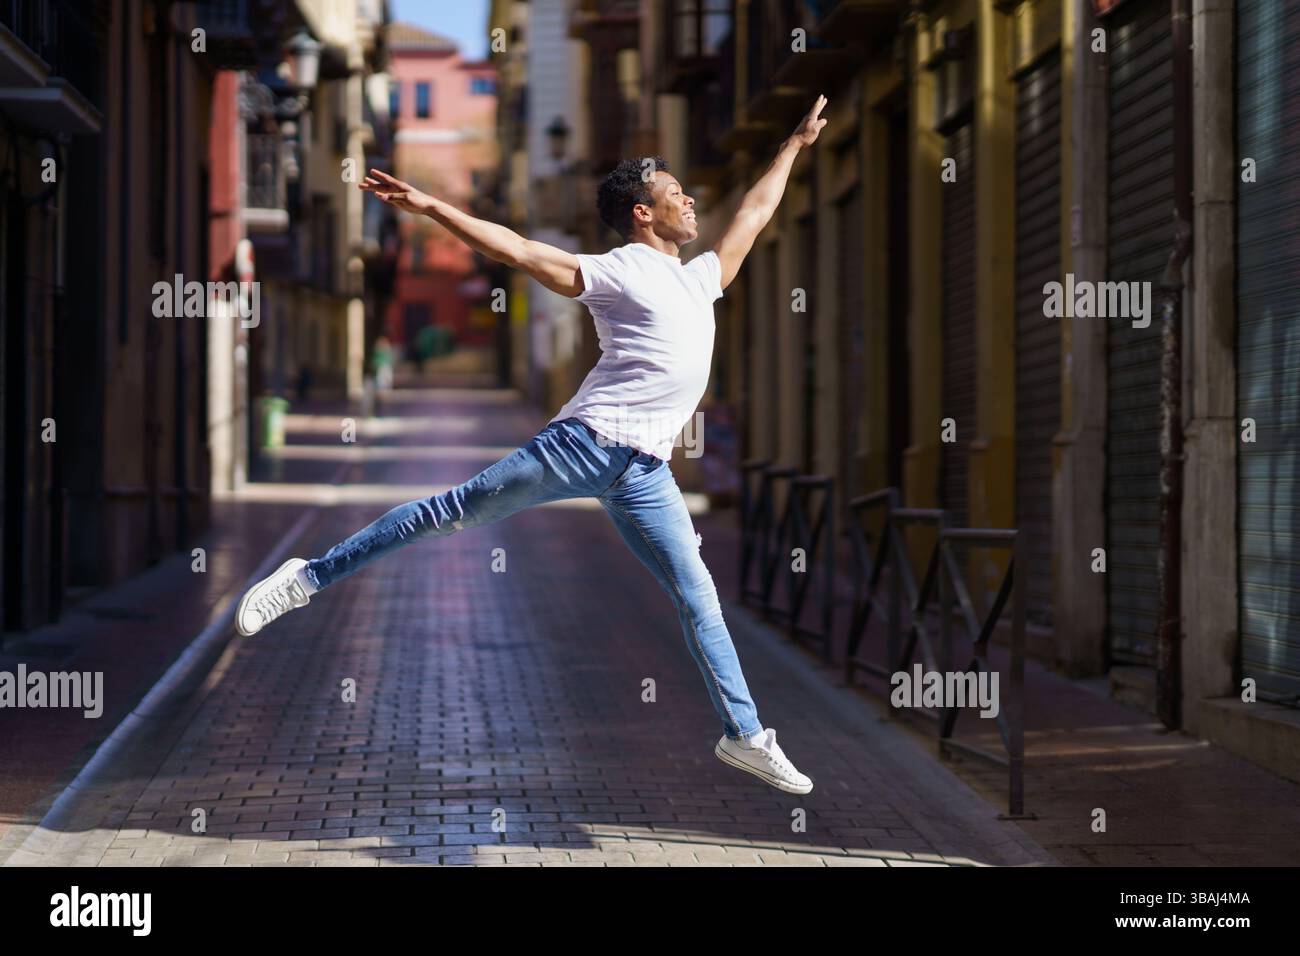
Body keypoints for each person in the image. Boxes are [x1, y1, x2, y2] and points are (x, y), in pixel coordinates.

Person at [235, 96, 830, 795]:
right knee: (446, 511)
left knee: (699, 597)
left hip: (645, 473)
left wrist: (792, 144)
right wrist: (431, 210)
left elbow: (753, 215)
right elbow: (515, 249)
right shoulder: (616, 272)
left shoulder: (700, 279)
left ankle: (744, 735)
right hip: (584, 443)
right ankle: (307, 577)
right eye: (675, 194)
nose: (692, 201)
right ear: (643, 213)